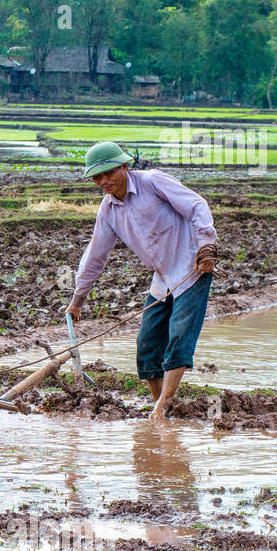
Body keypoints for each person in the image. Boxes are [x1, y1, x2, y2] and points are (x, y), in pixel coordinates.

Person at [63, 142, 218, 421]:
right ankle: (161, 404)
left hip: (191, 269)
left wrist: (206, 245)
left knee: (179, 337)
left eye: (109, 173)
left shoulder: (153, 182)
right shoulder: (108, 211)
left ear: (124, 166)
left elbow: (196, 205)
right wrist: (78, 300)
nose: (103, 181)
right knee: (147, 345)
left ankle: (159, 410)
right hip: (162, 279)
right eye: (97, 177)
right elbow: (95, 255)